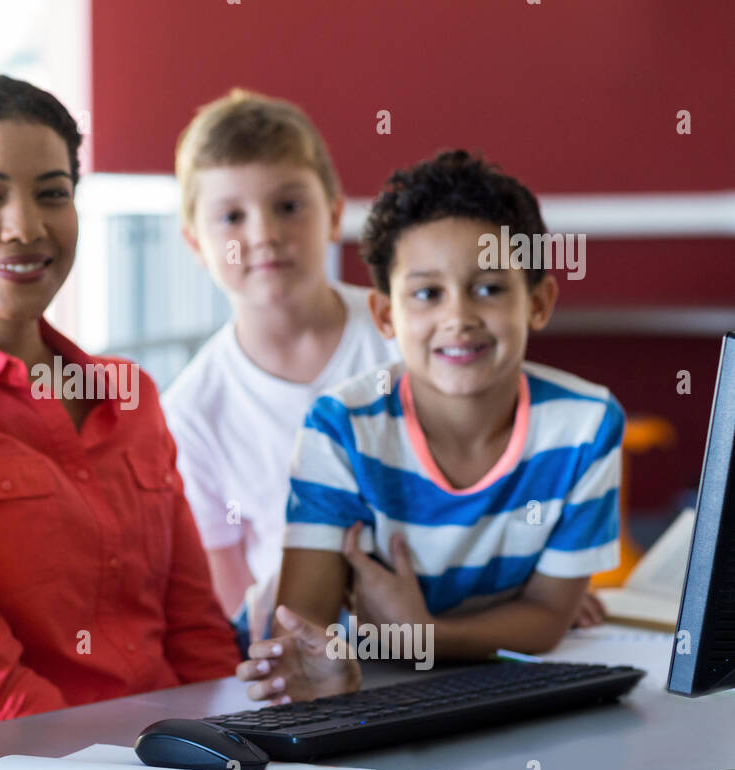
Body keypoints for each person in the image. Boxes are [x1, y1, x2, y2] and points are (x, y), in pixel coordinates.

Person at [0, 71, 240, 732]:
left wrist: (233, 757)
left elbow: (198, 638)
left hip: (184, 768)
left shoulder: (129, 393)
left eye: (52, 194)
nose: (25, 227)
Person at [240, 150, 622, 703]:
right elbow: (304, 635)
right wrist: (328, 669)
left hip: (458, 685)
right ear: (386, 316)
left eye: (489, 288)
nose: (458, 317)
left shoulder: (585, 427)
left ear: (538, 303)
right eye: (427, 293)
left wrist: (422, 637)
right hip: (334, 684)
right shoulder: (342, 427)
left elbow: (545, 618)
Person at [162, 89, 397, 649]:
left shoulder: (404, 335)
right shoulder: (193, 407)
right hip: (302, 651)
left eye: (289, 206)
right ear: (196, 243)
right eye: (231, 216)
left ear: (335, 213)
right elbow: (227, 577)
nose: (263, 235)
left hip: (442, 630)